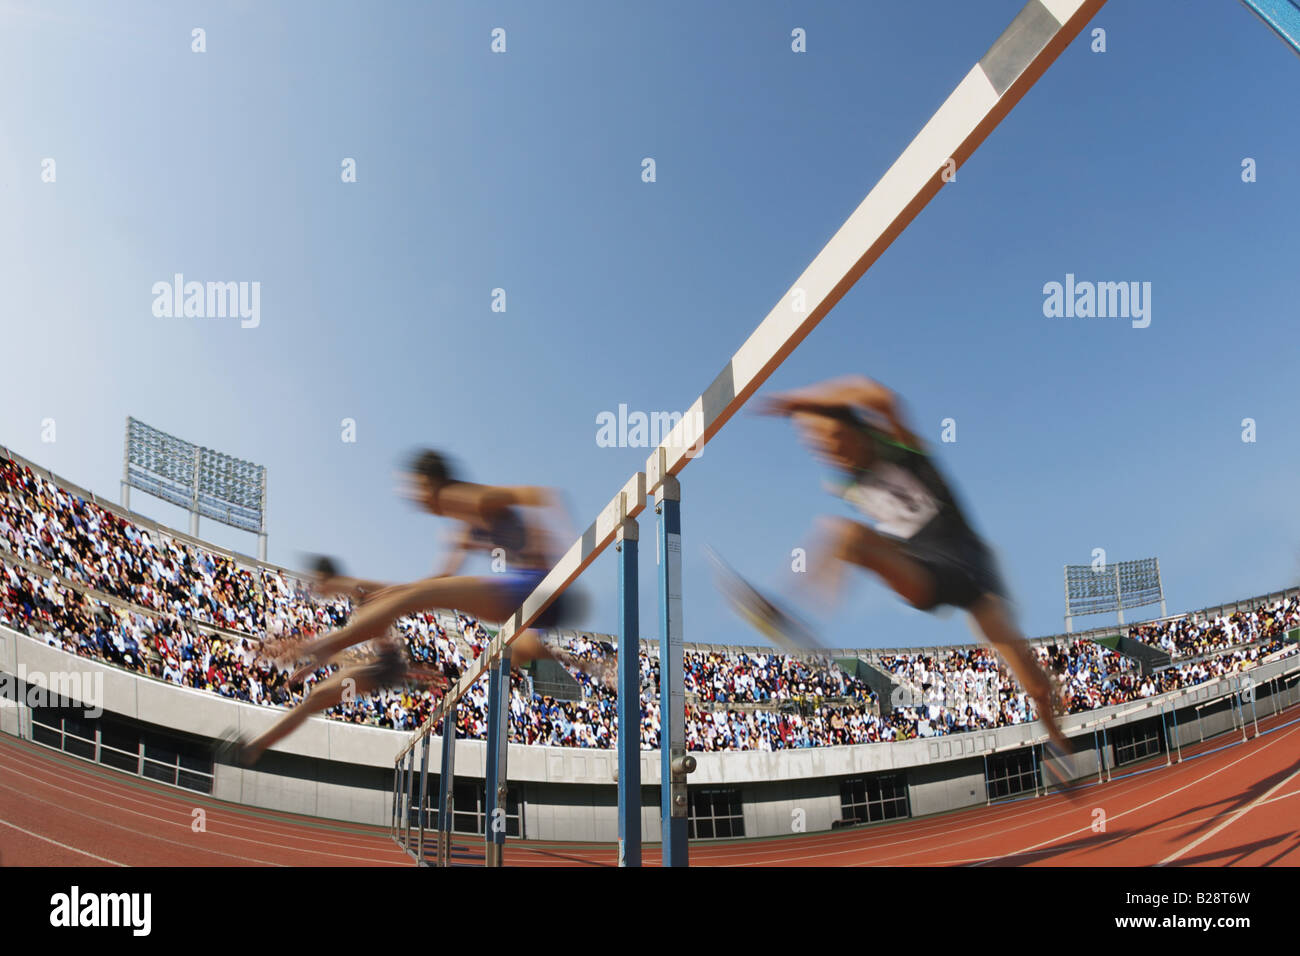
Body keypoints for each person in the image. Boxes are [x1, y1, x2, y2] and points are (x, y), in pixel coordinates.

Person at [738, 375, 1070, 756]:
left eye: (835, 442)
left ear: (860, 431)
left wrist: (798, 398)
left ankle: (1056, 736)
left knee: (1034, 683)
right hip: (923, 573)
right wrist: (808, 420)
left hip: (973, 574)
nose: (832, 455)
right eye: (820, 450)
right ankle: (795, 614)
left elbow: (877, 394)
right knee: (843, 534)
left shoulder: (902, 449)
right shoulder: (847, 484)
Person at [215, 450, 595, 768]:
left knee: (413, 597)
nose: (409, 495)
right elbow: (437, 581)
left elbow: (539, 495)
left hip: (540, 587)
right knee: (325, 690)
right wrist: (398, 594)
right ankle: (257, 745)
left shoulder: (469, 499)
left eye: (412, 485)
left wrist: (569, 556)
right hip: (528, 603)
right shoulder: (461, 528)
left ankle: (320, 647)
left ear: (431, 483)